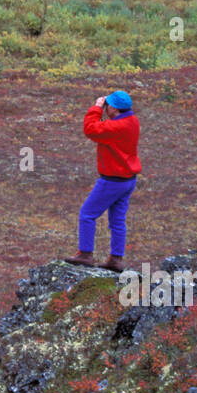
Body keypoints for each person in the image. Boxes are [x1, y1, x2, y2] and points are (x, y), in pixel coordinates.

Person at [64, 90, 140, 271]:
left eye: (108, 106)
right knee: (118, 221)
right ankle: (116, 259)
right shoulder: (133, 121)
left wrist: (97, 107)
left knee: (87, 214)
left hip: (112, 181)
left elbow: (90, 129)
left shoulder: (116, 127)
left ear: (114, 108)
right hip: (128, 180)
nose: (106, 108)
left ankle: (85, 254)